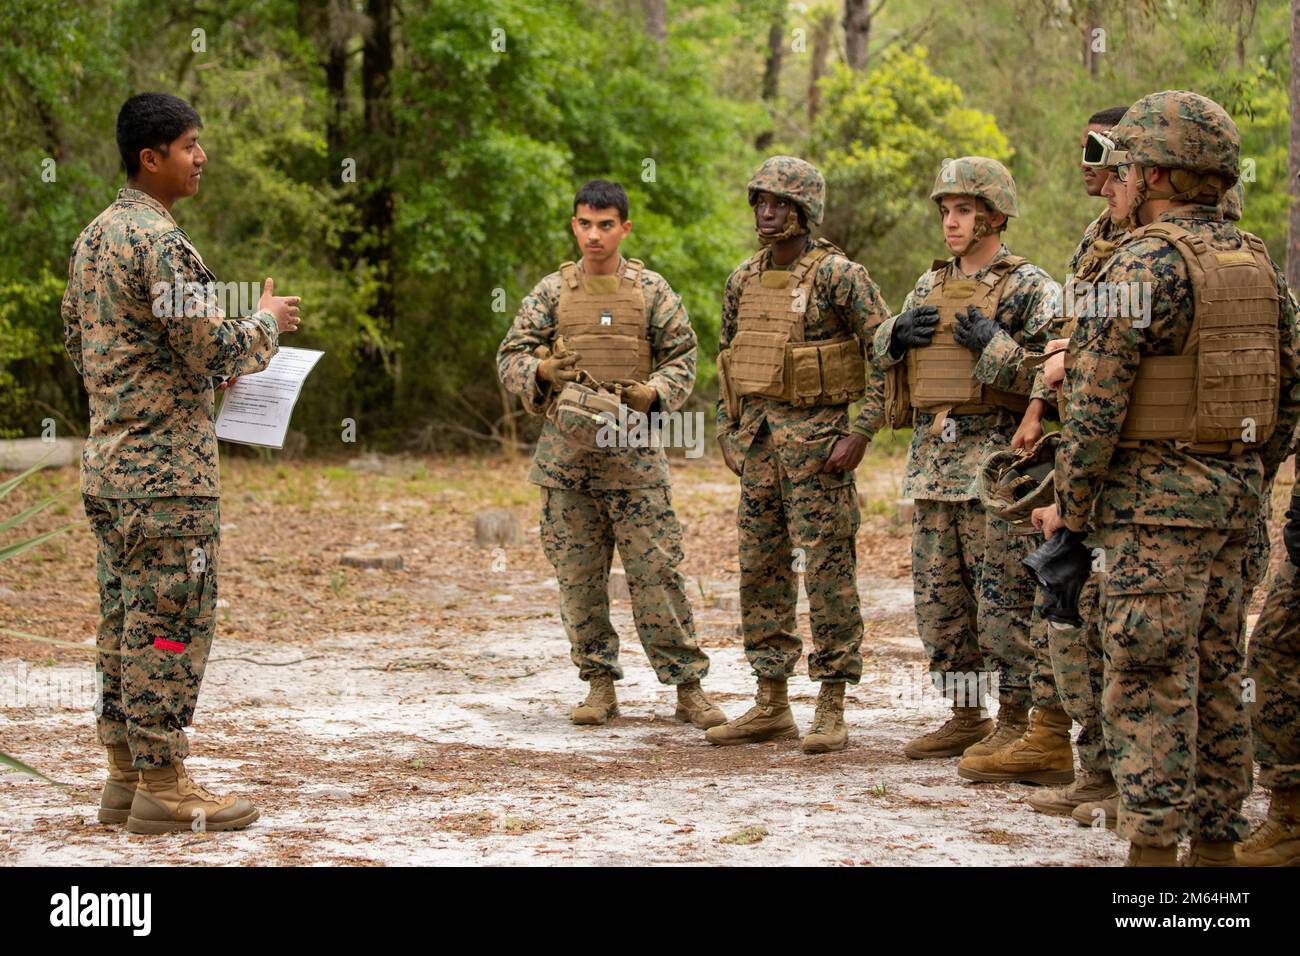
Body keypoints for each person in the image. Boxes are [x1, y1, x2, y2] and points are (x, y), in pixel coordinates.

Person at [1035, 90, 1300, 866]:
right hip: (1233, 511)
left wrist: (1073, 514)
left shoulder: (1143, 262)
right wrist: (1250, 478)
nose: (1114, 180)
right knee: (1219, 675)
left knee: (1148, 677)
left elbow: (1092, 405)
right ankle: (1215, 858)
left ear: (1155, 172)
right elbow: (1289, 396)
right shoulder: (1259, 264)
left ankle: (1153, 864)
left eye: (1124, 168)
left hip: (1151, 519)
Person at [63, 92, 300, 833]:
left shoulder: (94, 238)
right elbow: (215, 348)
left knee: (123, 622)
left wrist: (176, 377)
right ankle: (164, 785)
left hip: (110, 470)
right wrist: (266, 323)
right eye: (192, 145)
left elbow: (84, 347)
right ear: (151, 157)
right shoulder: (159, 243)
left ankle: (125, 775)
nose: (202, 158)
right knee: (170, 625)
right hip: (168, 483)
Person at [496, 179, 723, 730]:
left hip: (635, 462)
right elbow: (511, 356)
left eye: (604, 224)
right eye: (583, 223)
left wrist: (655, 394)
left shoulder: (651, 291)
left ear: (624, 227)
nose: (593, 235)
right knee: (579, 580)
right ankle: (599, 685)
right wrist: (544, 371)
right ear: (573, 225)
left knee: (657, 575)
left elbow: (684, 356)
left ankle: (688, 689)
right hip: (567, 463)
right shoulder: (551, 293)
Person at [871, 157, 1062, 772]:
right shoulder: (928, 286)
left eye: (963, 211)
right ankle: (964, 715)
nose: (950, 223)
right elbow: (879, 353)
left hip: (997, 468)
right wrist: (895, 335)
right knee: (940, 605)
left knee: (1002, 602)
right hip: (932, 465)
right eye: (945, 211)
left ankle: (1014, 721)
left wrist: (995, 348)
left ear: (995, 216)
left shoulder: (1031, 286)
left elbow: (1059, 375)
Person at [708, 156, 889, 754]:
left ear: (805, 210)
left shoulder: (841, 276)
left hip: (819, 453)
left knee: (829, 577)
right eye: (760, 200)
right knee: (760, 572)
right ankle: (770, 702)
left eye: (780, 203)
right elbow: (728, 360)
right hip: (759, 451)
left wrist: (862, 430)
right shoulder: (742, 279)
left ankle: (832, 704)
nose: (767, 212)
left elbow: (885, 353)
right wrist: (726, 430)